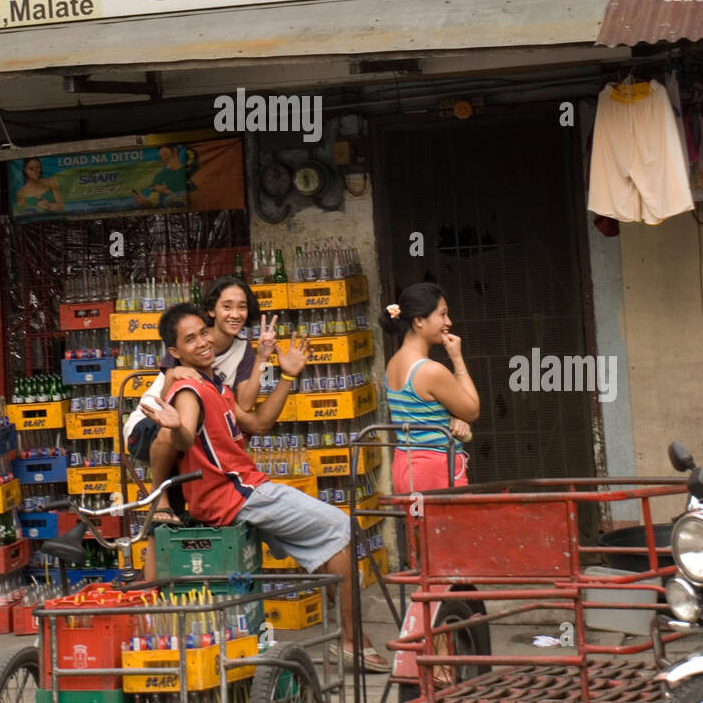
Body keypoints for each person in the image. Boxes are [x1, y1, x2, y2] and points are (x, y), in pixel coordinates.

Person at [142, 301, 390, 671]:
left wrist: (288, 376)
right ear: (175, 352)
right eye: (190, 339)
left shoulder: (215, 384)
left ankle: (351, 637)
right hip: (238, 494)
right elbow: (184, 436)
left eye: (203, 333)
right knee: (340, 526)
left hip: (244, 490)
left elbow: (258, 424)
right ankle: (351, 642)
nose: (202, 342)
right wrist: (176, 424)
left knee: (329, 545)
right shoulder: (188, 389)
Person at [124, 275, 278, 525]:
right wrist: (173, 373)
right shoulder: (189, 339)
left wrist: (262, 358)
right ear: (211, 310)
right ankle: (157, 494)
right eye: (227, 306)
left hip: (187, 434)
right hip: (150, 427)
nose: (235, 314)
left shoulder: (241, 348)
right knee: (173, 424)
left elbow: (246, 404)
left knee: (165, 530)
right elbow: (168, 400)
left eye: (242, 307)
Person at [381, 282, 480, 515]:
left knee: (421, 542)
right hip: (435, 469)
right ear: (419, 321)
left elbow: (427, 409)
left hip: (406, 466)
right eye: (442, 314)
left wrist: (456, 416)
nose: (449, 323)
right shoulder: (430, 370)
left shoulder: (394, 363)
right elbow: (472, 410)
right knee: (448, 541)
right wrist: (457, 358)